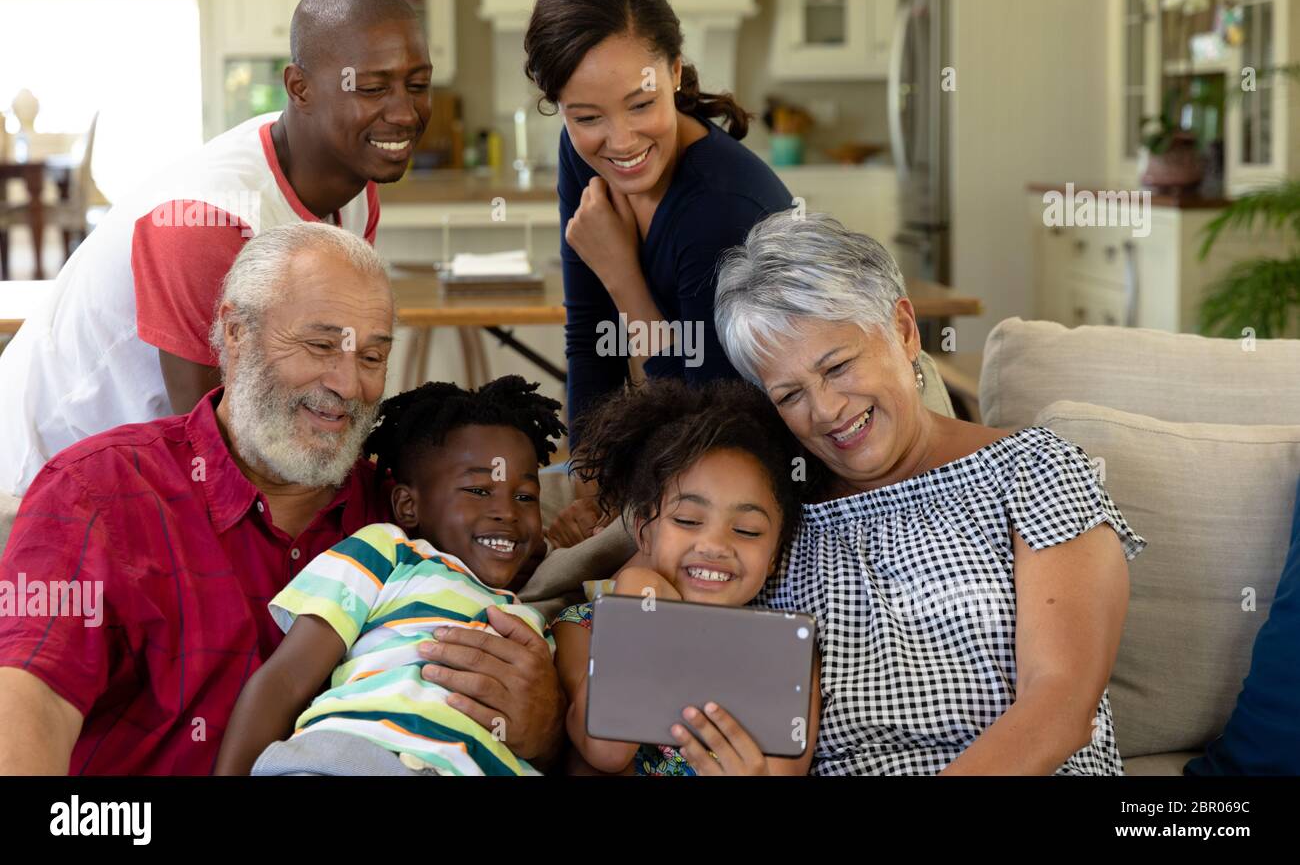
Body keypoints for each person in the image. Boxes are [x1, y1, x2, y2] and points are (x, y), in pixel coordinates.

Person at [0, 224, 564, 774]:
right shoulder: (100, 489)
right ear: (237, 333)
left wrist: (543, 723)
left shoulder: (412, 515)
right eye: (321, 345)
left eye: (371, 358)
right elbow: (30, 702)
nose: (348, 385)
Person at [713, 211, 1147, 775]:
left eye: (838, 366)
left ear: (904, 330)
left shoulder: (1035, 469)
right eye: (790, 394)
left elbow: (1060, 703)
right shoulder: (771, 516)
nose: (825, 411)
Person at [0, 0, 432, 500]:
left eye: (417, 85)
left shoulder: (353, 184)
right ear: (300, 88)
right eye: (371, 88)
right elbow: (215, 455)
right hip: (43, 484)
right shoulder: (202, 221)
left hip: (151, 479)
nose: (405, 113)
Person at [522, 0, 793, 547]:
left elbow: (708, 413)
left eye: (640, 105)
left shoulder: (718, 209)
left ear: (673, 72)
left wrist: (622, 277)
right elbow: (590, 334)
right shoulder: (581, 155)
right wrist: (591, 485)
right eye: (587, 116)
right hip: (679, 445)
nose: (619, 142)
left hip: (754, 458)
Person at [215, 377, 567, 776]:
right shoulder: (388, 553)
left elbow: (541, 738)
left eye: (525, 497)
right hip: (355, 759)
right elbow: (287, 679)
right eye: (478, 491)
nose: (508, 512)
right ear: (407, 505)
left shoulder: (533, 622)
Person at [553, 378, 819, 776]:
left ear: (774, 558)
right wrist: (643, 604)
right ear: (644, 530)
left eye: (746, 530)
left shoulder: (784, 651)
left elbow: (784, 772)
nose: (714, 545)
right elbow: (605, 750)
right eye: (688, 520)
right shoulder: (584, 627)